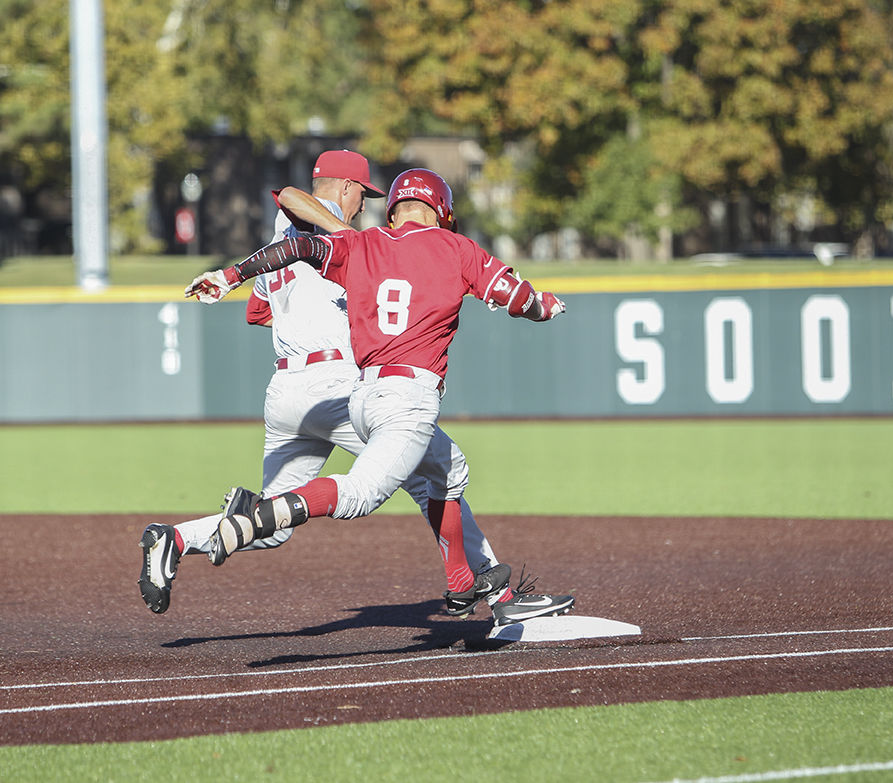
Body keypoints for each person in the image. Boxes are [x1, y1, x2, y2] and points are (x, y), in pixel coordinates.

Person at [144, 163, 574, 626]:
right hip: (349, 383)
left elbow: (262, 306)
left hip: (296, 388)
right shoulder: (388, 237)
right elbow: (289, 195)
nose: (361, 204)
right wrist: (546, 305)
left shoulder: (354, 243)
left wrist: (232, 275)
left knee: (445, 470)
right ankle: (495, 592)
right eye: (360, 194)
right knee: (375, 489)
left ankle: (177, 538)